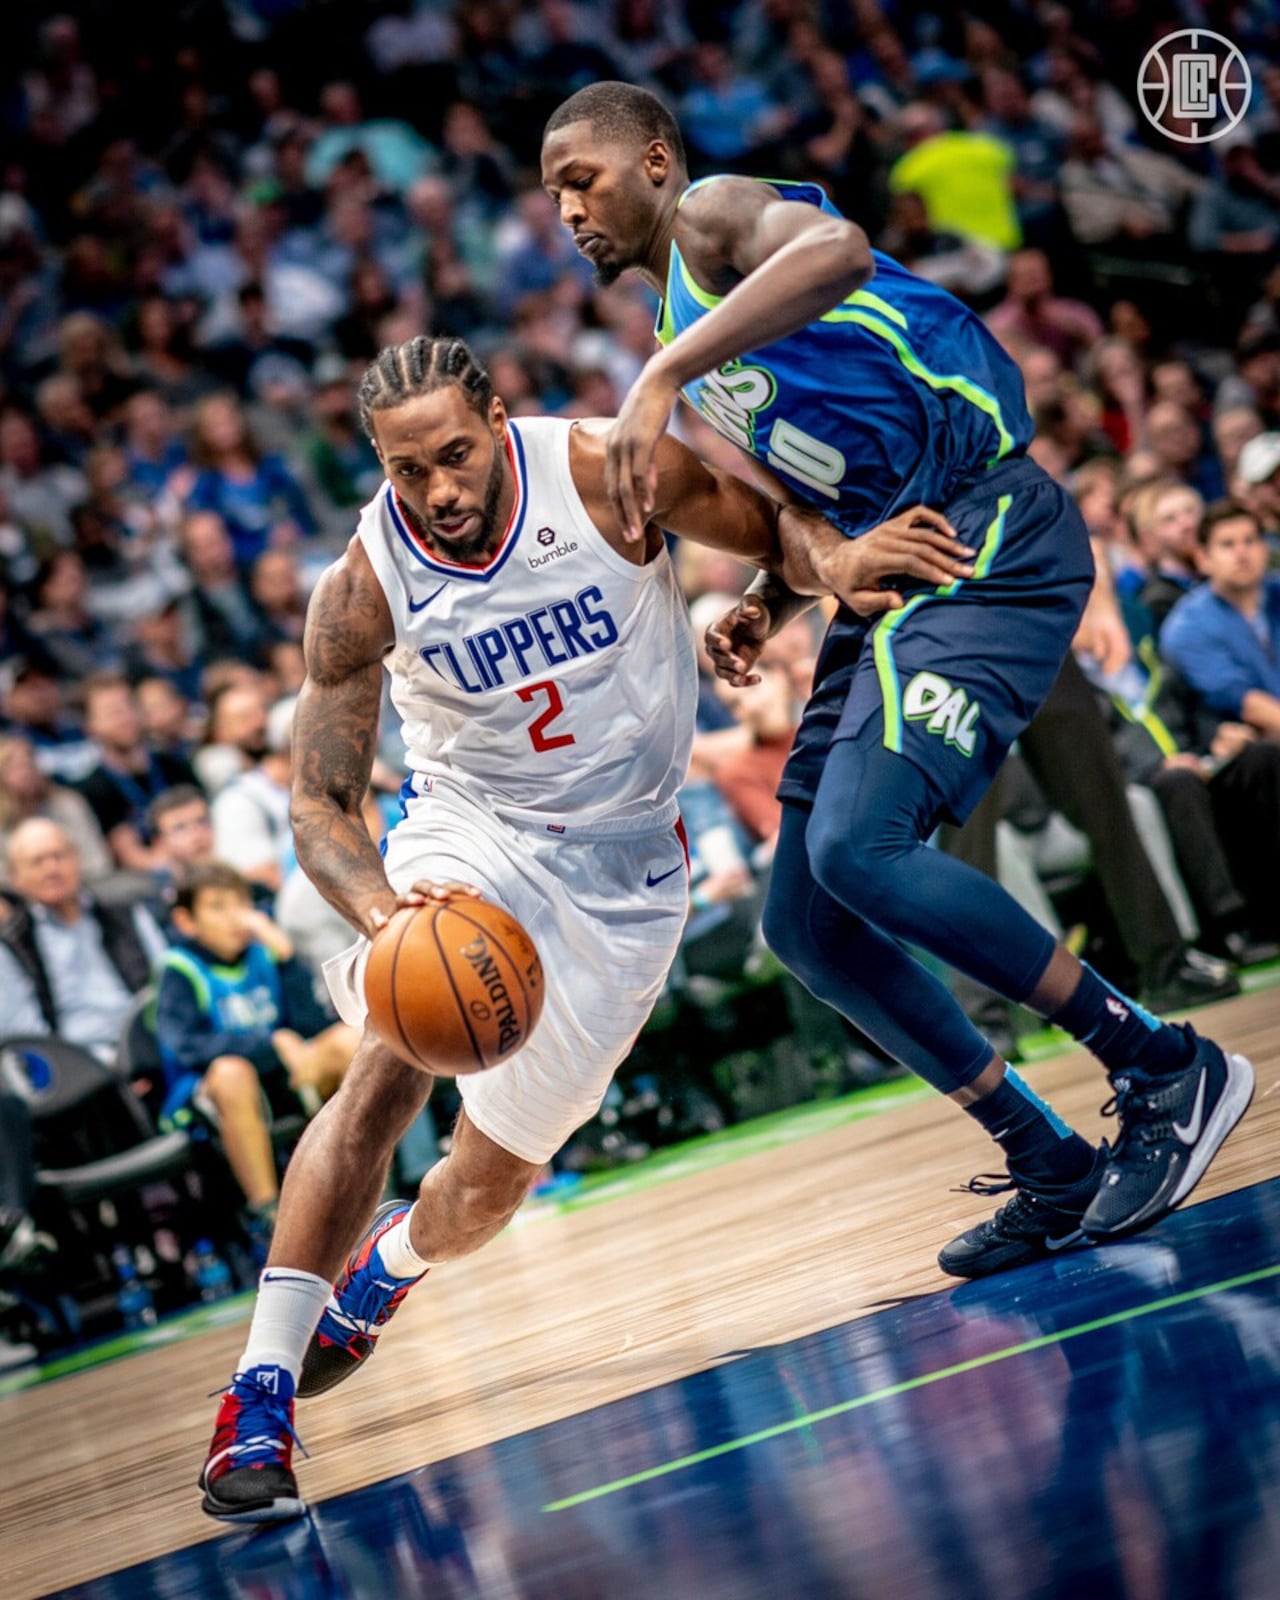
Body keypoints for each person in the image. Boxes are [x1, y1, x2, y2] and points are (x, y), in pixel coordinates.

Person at [197, 331, 978, 1523]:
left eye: (455, 457)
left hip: (629, 866)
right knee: (387, 1068)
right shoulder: (362, 583)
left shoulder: (612, 470)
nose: (439, 492)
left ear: (497, 417)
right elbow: (318, 798)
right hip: (476, 830)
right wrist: (379, 908)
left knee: (485, 1193)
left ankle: (386, 1268)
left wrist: (818, 570)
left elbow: (775, 531)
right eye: (409, 473)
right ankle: (257, 1392)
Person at [538, 82, 1253, 1281]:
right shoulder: (687, 320)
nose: (565, 208)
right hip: (897, 564)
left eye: (580, 177)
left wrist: (664, 372)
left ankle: (1161, 1063)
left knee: (861, 850)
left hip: (988, 529)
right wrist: (772, 595)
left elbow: (837, 248)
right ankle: (1048, 1159)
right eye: (551, 192)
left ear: (654, 162)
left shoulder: (713, 220)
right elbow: (831, 486)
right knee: (802, 924)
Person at [153, 861, 357, 1241]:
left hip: (286, 1077)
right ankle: (270, 1216)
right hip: (215, 1099)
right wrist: (268, 1045)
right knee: (232, 1072)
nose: (235, 919)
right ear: (186, 921)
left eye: (241, 904)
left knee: (350, 1040)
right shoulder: (180, 969)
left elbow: (312, 1028)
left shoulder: (265, 955)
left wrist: (286, 958)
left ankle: (359, 1183)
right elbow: (184, 1047)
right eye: (218, 907)